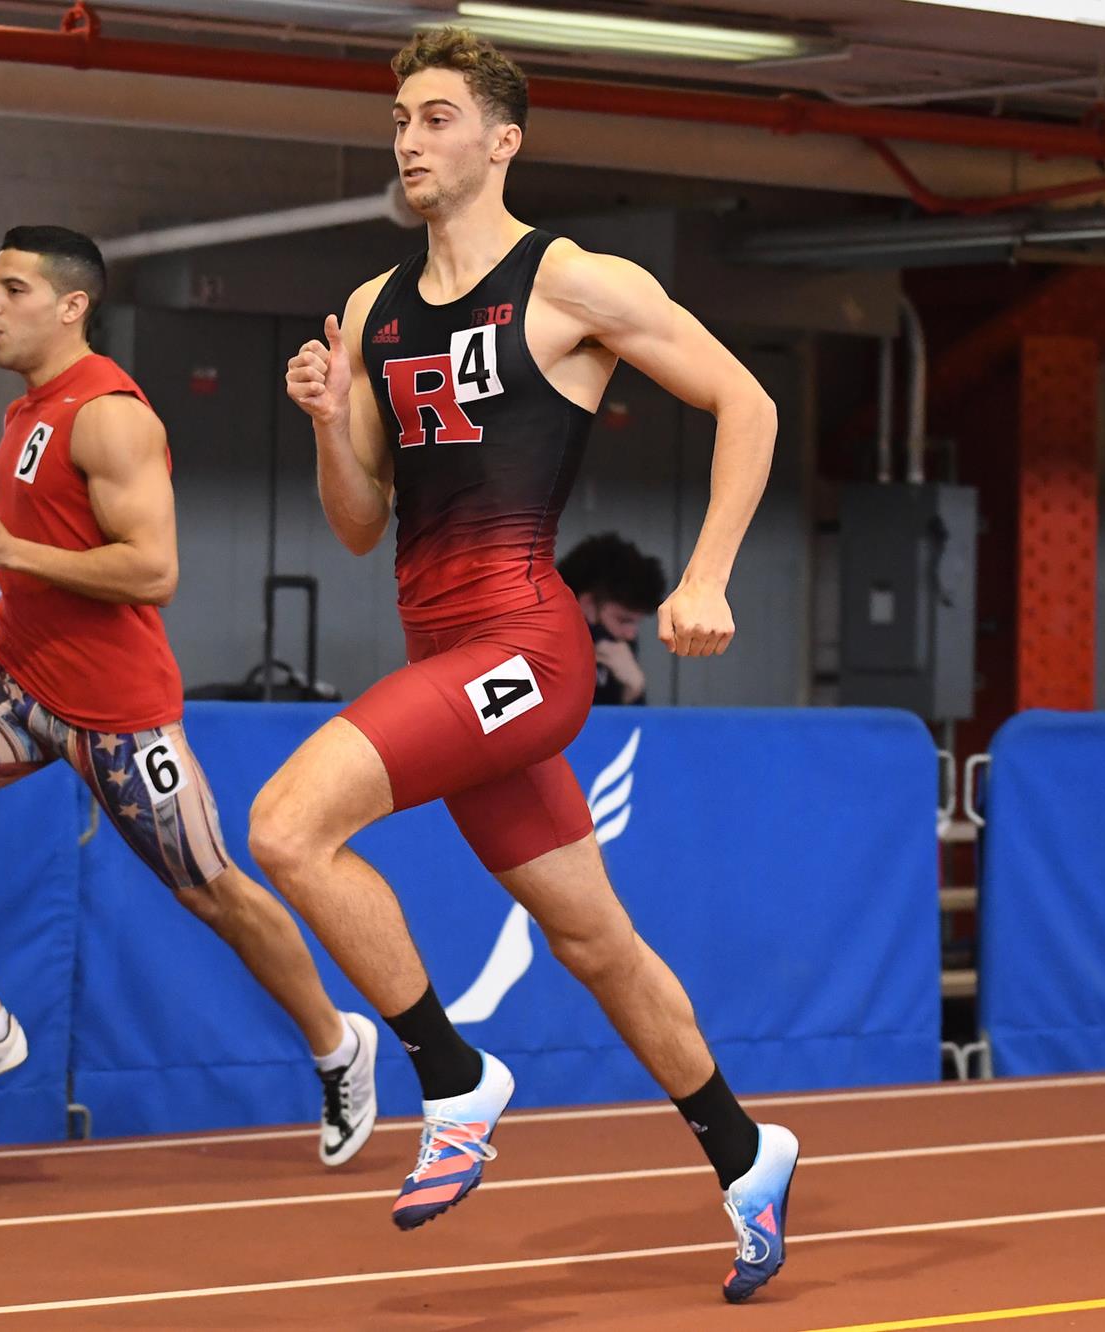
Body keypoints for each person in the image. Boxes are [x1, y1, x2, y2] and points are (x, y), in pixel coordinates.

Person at [263, 28, 799, 1303]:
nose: (409, 140)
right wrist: (327, 419)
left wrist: (708, 574)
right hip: (437, 644)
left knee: (286, 827)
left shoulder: (567, 281)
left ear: (501, 141)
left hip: (523, 641)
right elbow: (355, 524)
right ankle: (745, 1150)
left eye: (437, 116)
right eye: (399, 117)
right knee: (593, 938)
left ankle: (452, 1076)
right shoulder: (367, 311)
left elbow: (747, 402)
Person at [0, 226, 380, 1168]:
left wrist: (9, 552)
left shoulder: (110, 414)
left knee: (216, 893)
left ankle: (340, 1046)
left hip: (116, 711)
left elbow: (153, 571)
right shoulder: (28, 410)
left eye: (11, 288)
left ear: (71, 306)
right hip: (16, 673)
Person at [557, 532, 666, 705]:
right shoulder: (545, 652)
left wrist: (632, 690)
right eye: (623, 620)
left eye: (636, 623)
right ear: (588, 605)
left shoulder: (618, 656)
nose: (630, 634)